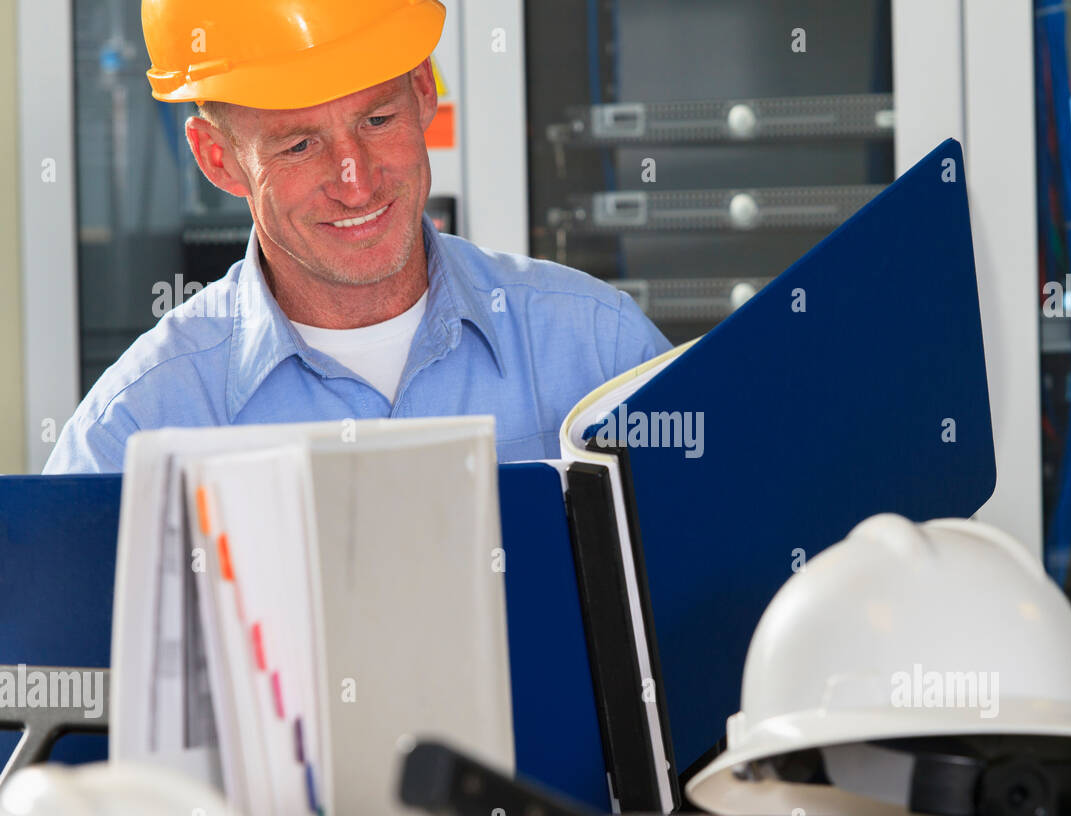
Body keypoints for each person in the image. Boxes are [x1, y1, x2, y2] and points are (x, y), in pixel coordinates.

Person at [43, 0, 670, 473]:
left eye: (377, 119)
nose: (356, 181)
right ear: (218, 160)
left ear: (423, 90)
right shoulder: (130, 434)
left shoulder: (601, 349)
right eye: (299, 145)